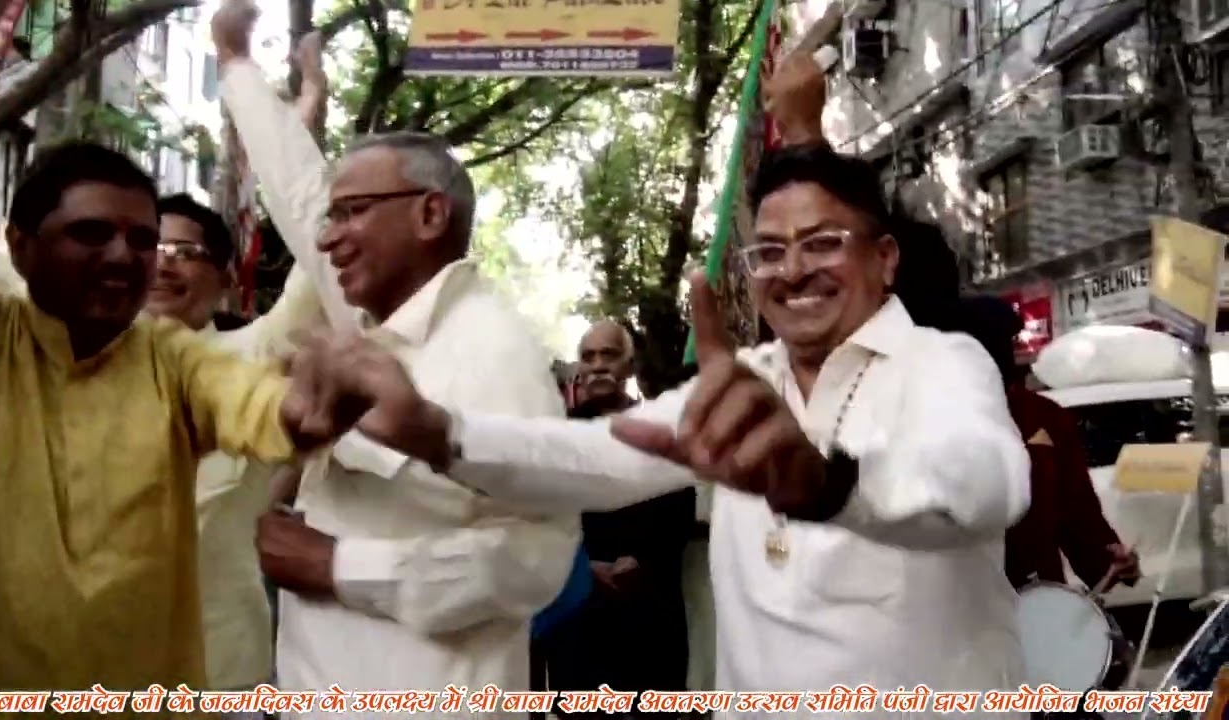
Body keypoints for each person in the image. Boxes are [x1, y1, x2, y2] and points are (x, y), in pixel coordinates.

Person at [294, 143, 1033, 716]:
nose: (794, 270)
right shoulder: (746, 382)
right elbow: (587, 458)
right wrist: (437, 433)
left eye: (823, 243)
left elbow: (984, 484)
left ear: (885, 257)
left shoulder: (942, 362)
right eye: (770, 251)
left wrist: (828, 480)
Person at [0, 0, 365, 696]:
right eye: (91, 235)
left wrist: (306, 413)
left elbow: (261, 390)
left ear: (227, 277)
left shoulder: (189, 363)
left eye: (160, 246)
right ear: (20, 248)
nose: (136, 259)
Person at [212, 1, 579, 709]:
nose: (326, 239)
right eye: (334, 217)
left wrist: (340, 565)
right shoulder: (371, 317)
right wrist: (235, 64)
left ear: (430, 214)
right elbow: (298, 188)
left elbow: (537, 557)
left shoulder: (494, 352)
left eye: (352, 215)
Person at [142, 191, 326, 710]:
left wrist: (288, 130)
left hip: (216, 666)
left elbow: (315, 273)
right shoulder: (72, 363)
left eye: (185, 251)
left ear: (226, 279)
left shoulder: (249, 359)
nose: (163, 262)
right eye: (150, 245)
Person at [542, 320, 693, 716]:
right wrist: (584, 567)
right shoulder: (556, 436)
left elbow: (677, 508)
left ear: (629, 365)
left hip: (646, 614)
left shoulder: (659, 431)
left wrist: (642, 562)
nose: (597, 366)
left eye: (609, 355)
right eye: (588, 357)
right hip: (577, 614)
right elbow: (540, 512)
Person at [955, 295, 1140, 593]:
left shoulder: (1046, 417)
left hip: (1041, 604)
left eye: (1007, 342)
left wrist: (1112, 559)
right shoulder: (929, 420)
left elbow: (1078, 510)